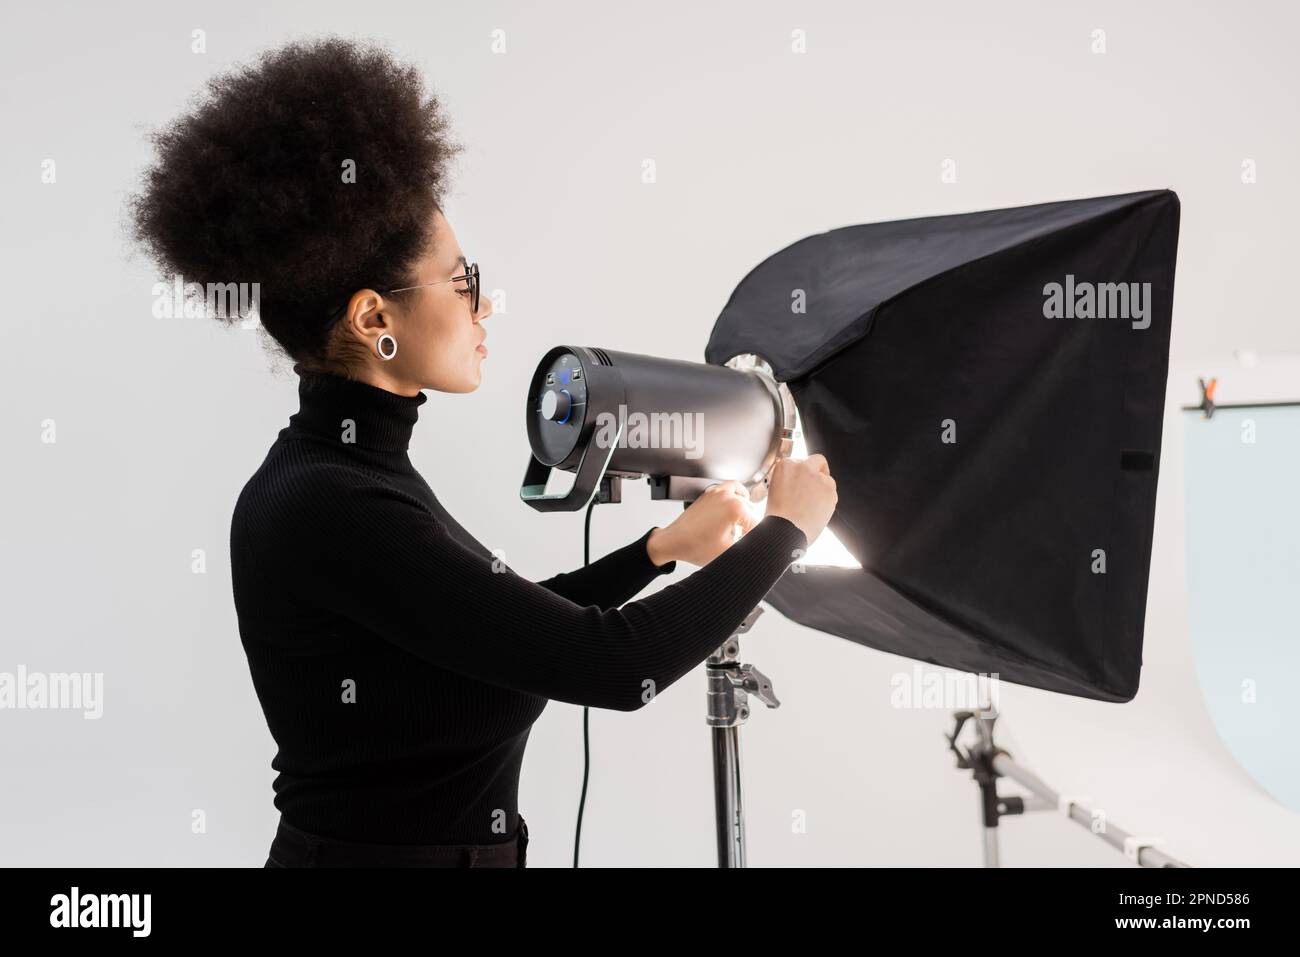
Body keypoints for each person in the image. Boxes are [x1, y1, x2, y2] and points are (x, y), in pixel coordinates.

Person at [129, 37, 837, 868]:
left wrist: (658, 551)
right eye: (461, 281)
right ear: (372, 320)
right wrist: (783, 531)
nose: (485, 303)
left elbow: (492, 633)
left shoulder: (349, 471)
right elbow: (612, 667)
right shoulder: (331, 500)